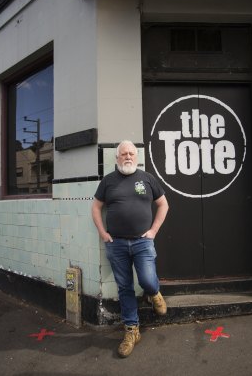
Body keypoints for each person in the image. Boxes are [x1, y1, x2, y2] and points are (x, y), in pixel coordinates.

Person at [91, 140, 169, 358]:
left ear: (137, 156)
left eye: (131, 153)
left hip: (143, 242)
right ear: (116, 158)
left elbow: (163, 204)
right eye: (123, 153)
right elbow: (96, 207)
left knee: (146, 280)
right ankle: (131, 331)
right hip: (116, 244)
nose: (127, 156)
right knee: (125, 288)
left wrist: (153, 230)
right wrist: (102, 233)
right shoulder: (108, 181)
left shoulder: (147, 178)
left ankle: (154, 293)